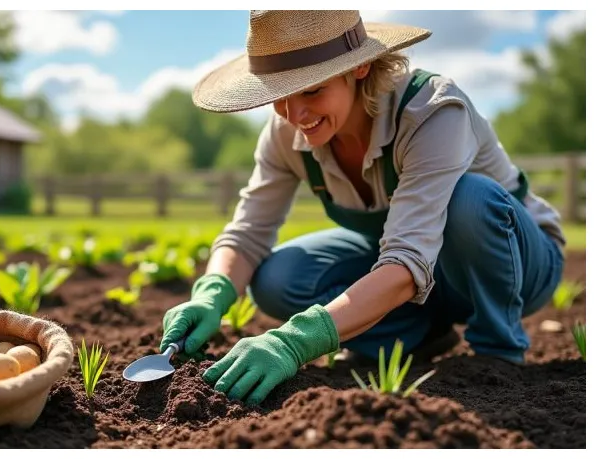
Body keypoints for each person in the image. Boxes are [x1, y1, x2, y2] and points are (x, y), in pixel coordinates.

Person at [159, 10, 566, 406]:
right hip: (422, 277)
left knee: (469, 200)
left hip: (516, 266)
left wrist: (296, 341)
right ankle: (419, 336)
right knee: (278, 279)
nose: (295, 115)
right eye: (278, 97)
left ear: (359, 68)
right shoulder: (286, 132)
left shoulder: (431, 112)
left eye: (311, 90)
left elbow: (408, 259)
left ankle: (498, 352)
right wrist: (212, 293)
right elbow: (248, 231)